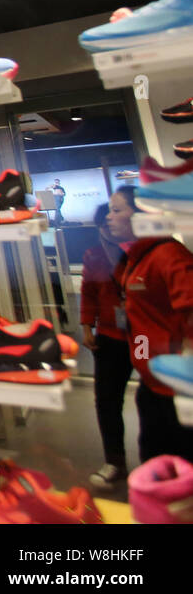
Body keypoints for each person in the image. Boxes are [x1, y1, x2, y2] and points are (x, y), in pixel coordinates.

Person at [104, 186, 193, 463]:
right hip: (153, 385)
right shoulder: (136, 257)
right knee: (155, 463)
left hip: (175, 390)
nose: (108, 217)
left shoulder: (168, 255)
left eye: (117, 210)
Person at [80, 203, 131, 490]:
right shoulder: (94, 255)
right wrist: (87, 326)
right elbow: (88, 291)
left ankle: (163, 460)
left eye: (112, 219)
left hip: (143, 337)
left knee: (155, 399)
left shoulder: (137, 252)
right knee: (107, 401)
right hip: (110, 337)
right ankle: (115, 461)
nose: (107, 227)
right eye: (103, 223)